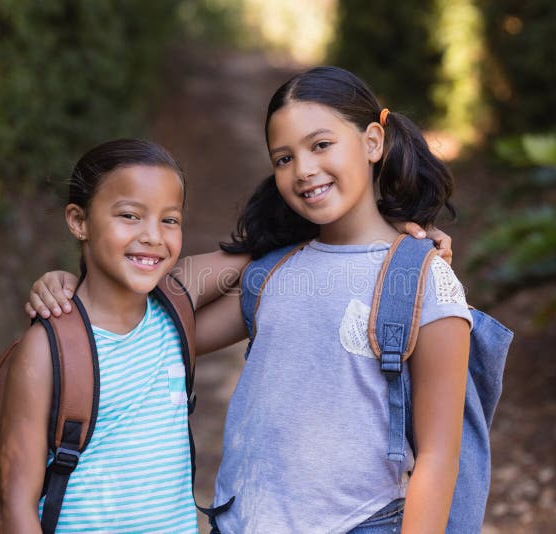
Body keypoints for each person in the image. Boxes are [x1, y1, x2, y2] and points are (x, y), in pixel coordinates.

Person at [27, 67, 468, 533]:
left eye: (321, 145)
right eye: (283, 159)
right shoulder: (275, 271)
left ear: (373, 142)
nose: (304, 170)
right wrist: (73, 282)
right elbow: (146, 310)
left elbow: (438, 458)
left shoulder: (424, 282)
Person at [0, 139, 236, 533]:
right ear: (79, 221)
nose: (153, 236)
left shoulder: (174, 316)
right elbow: (16, 506)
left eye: (170, 219)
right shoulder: (48, 347)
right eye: (130, 215)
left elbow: (259, 259)